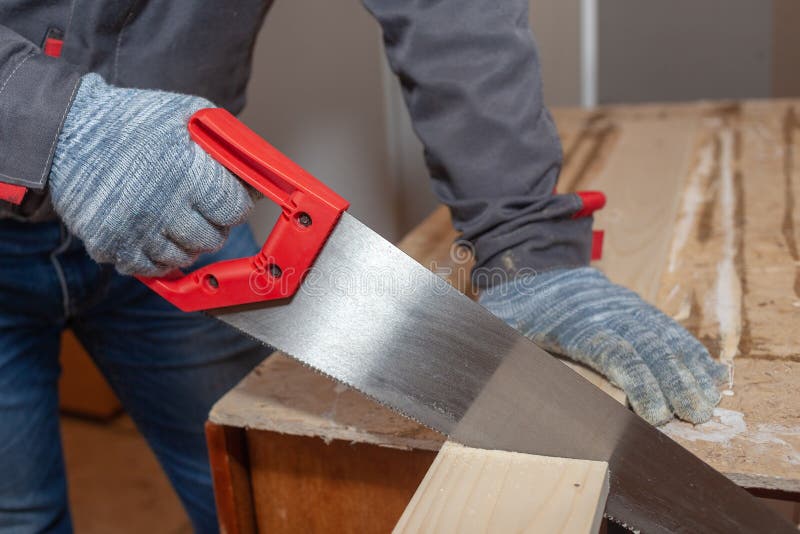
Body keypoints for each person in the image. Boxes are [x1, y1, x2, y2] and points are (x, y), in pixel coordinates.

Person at [0, 2, 727, 532]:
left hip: (179, 217)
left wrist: (524, 242)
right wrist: (50, 123)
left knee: (248, 495)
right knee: (19, 514)